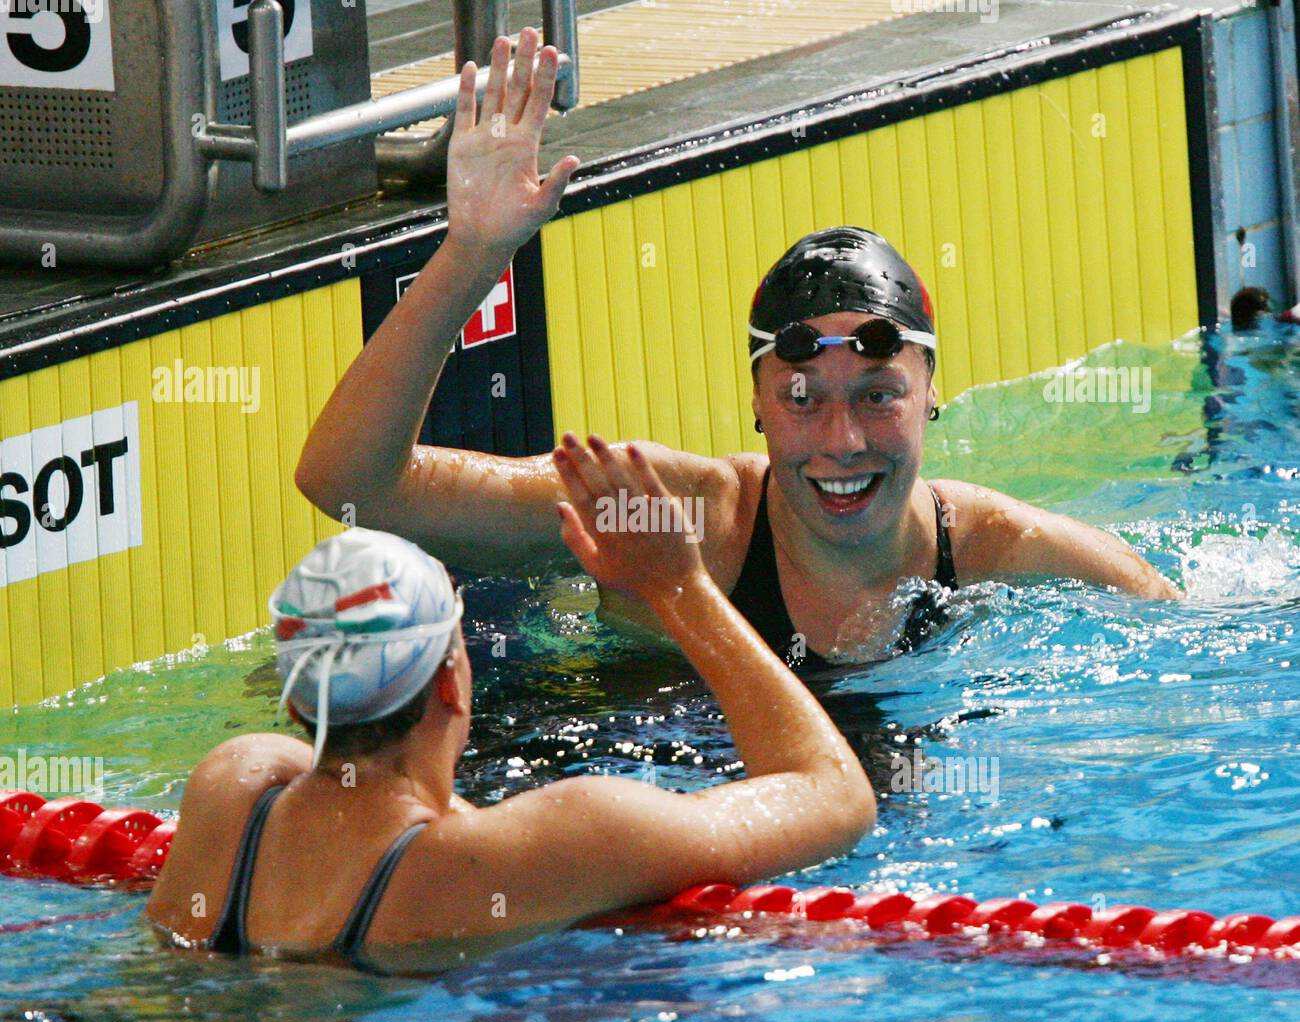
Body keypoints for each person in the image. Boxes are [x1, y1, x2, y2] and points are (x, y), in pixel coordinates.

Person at [295, 26, 1180, 674]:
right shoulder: (669, 514)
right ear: (755, 401)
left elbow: (1188, 635)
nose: (842, 439)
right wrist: (474, 254)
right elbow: (352, 489)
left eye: (877, 394)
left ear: (931, 391)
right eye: (802, 398)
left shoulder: (1004, 550)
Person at [144, 446, 875, 974]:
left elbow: (357, 790)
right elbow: (834, 795)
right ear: (451, 686)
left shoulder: (234, 789)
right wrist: (679, 586)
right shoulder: (548, 846)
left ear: (299, 705)